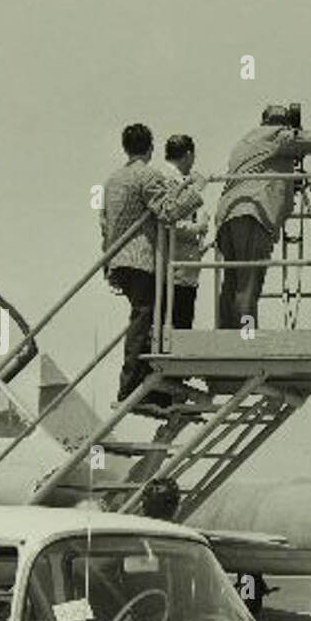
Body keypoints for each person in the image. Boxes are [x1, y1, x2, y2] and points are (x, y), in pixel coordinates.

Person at [101, 124, 204, 410]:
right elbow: (169, 212)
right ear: (150, 148)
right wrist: (196, 190)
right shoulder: (147, 175)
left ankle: (147, 389)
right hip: (141, 259)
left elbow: (104, 223)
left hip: (118, 258)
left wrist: (109, 264)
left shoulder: (113, 179)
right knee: (144, 319)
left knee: (144, 318)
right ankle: (133, 388)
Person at [214, 106, 311, 330]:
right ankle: (246, 339)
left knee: (232, 285)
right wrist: (297, 131)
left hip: (229, 216)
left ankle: (226, 339)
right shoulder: (278, 136)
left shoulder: (247, 140)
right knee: (248, 287)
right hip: (252, 215)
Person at [162, 135, 209, 331]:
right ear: (189, 155)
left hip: (184, 266)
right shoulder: (170, 181)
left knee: (180, 324)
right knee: (178, 326)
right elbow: (169, 220)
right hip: (176, 268)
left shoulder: (172, 179)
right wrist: (198, 228)